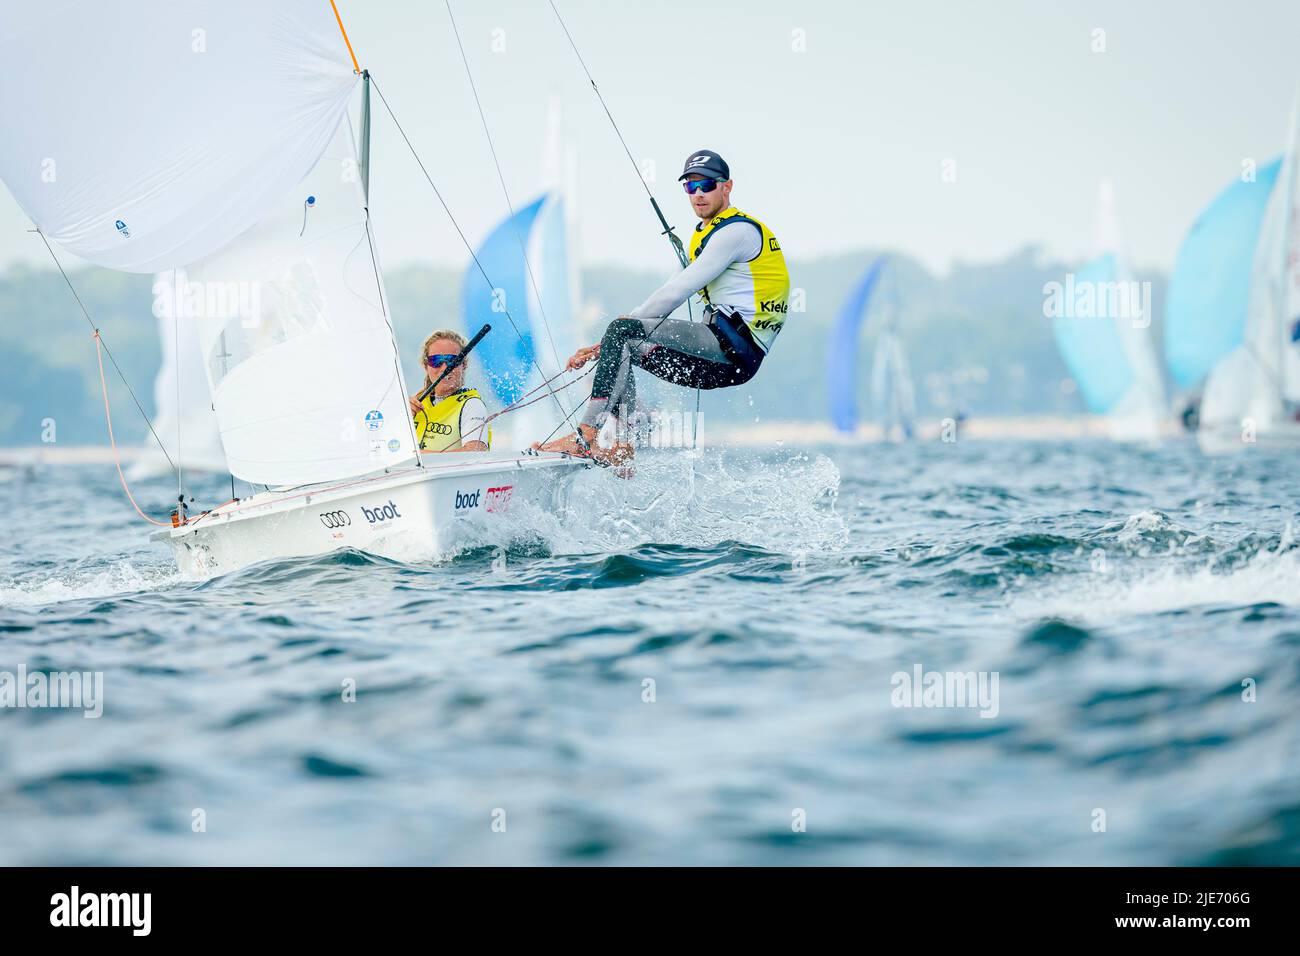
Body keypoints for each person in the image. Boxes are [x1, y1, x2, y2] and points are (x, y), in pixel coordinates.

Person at [534, 149, 789, 463]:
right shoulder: (710, 234)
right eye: (689, 187)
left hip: (734, 349)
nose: (698, 194)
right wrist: (607, 345)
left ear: (727, 186)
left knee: (621, 330)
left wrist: (616, 331)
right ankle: (623, 447)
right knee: (624, 344)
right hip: (716, 359)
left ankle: (584, 436)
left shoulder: (738, 232)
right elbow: (666, 294)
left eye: (706, 185)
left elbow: (678, 290)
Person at [410, 329, 491, 452]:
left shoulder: (471, 405)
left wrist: (419, 457)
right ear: (425, 365)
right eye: (436, 361)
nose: (445, 368)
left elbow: (475, 453)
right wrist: (400, 421)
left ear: (463, 365)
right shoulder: (413, 405)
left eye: (452, 361)